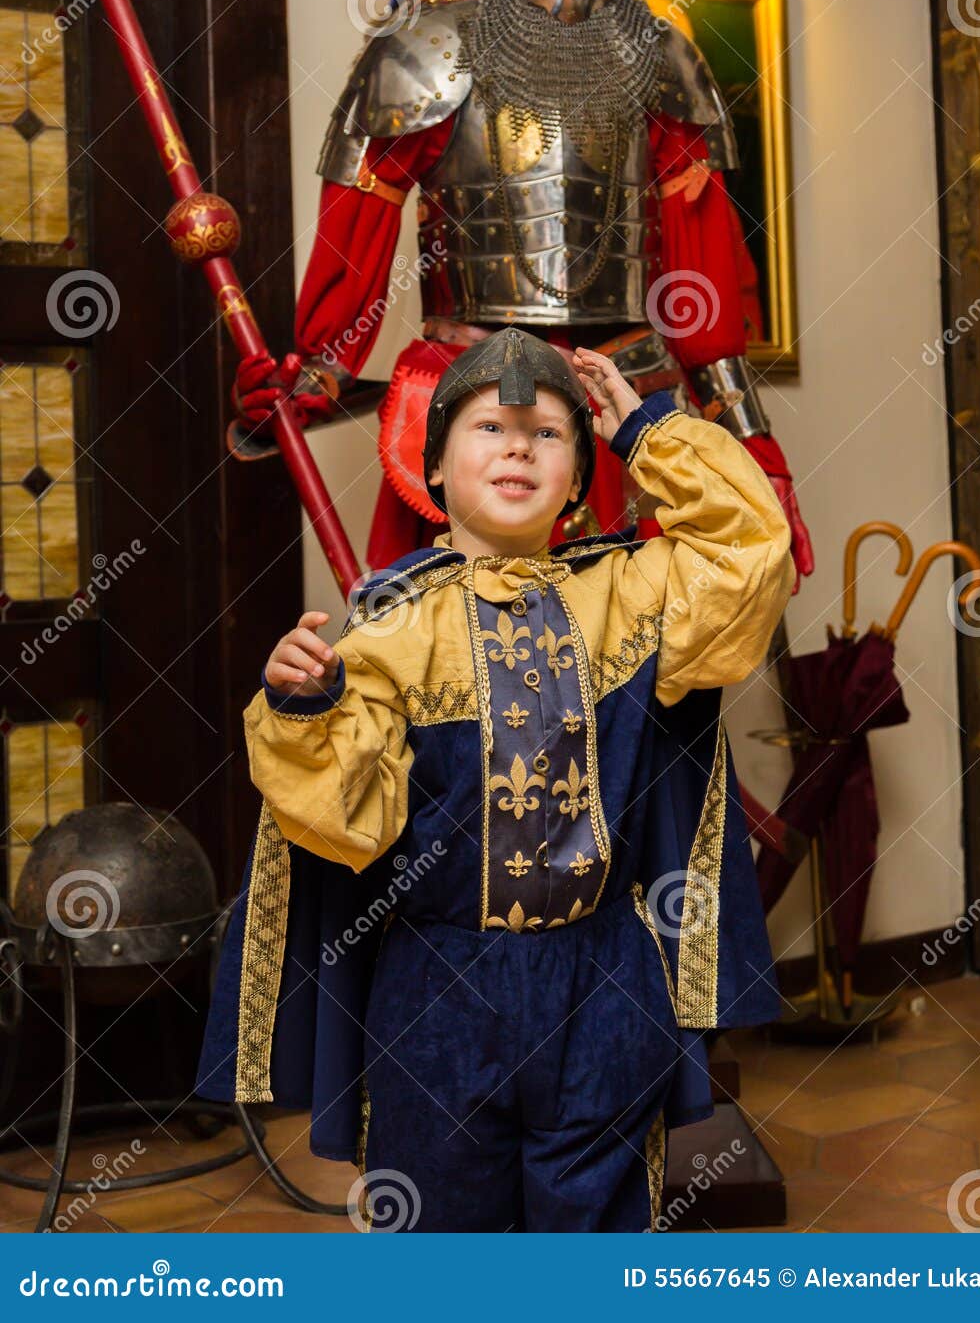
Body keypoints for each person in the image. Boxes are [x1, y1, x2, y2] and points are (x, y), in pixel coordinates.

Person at [196, 326, 794, 1232]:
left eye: (550, 432)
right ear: (432, 467)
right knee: (446, 1245)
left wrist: (645, 431)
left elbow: (749, 552)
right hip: (434, 998)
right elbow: (344, 819)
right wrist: (306, 708)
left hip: (605, 983)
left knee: (594, 1241)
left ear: (581, 472)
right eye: (489, 427)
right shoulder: (388, 626)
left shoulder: (634, 594)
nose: (519, 444)